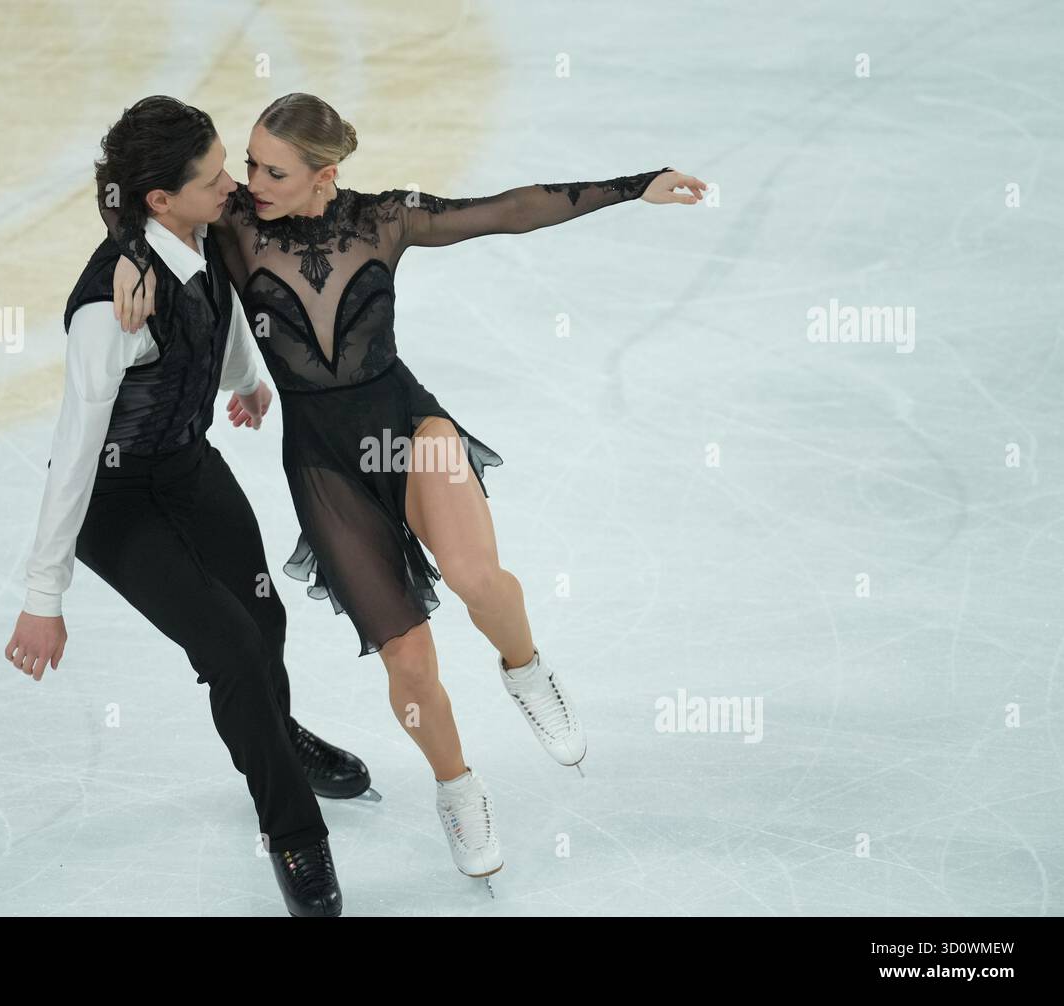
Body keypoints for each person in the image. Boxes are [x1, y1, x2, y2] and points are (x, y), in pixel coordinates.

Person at [105, 92, 707, 890]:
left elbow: (505, 211)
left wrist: (636, 185)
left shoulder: (382, 219)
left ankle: (524, 667)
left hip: (405, 427)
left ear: (325, 176)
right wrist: (126, 251)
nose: (250, 181)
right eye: (248, 163)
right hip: (323, 464)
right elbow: (132, 190)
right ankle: (457, 787)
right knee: (410, 661)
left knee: (475, 577)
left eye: (271, 169)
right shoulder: (234, 228)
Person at [4, 96, 381, 917]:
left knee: (265, 618)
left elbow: (216, 295)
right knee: (234, 651)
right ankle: (294, 832)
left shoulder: (185, 228)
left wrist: (242, 374)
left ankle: (276, 739)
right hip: (115, 501)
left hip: (185, 463)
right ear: (161, 200)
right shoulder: (111, 313)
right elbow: (73, 450)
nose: (234, 190)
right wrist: (44, 598)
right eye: (216, 180)